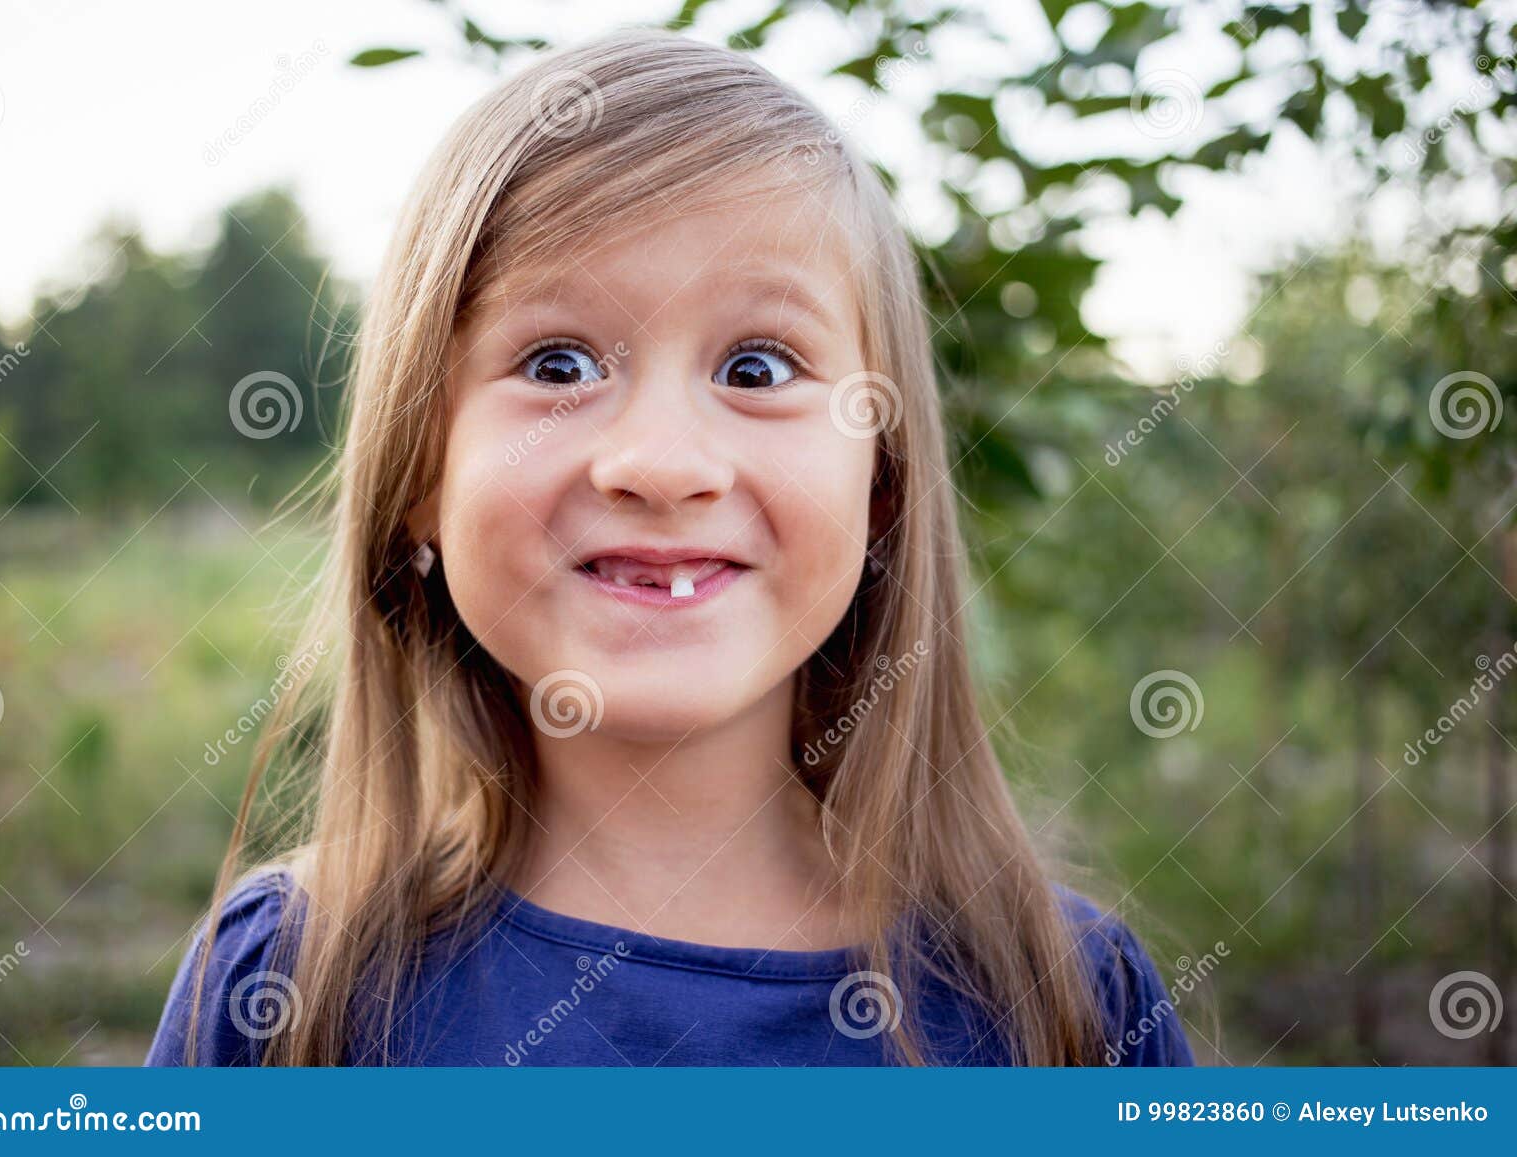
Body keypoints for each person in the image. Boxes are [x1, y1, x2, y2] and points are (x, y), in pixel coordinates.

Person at [146, 27, 1194, 1068]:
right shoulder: (288, 984)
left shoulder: (1063, 1004)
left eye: (755, 367)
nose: (659, 461)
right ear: (423, 473)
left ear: (880, 481)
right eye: (556, 365)